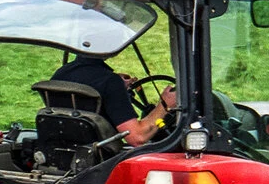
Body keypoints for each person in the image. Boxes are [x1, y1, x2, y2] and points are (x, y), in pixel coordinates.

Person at [39, 53, 173, 146]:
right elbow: (137, 137)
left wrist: (117, 89)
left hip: (60, 152)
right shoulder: (109, 82)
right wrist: (165, 105)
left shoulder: (61, 73)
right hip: (101, 160)